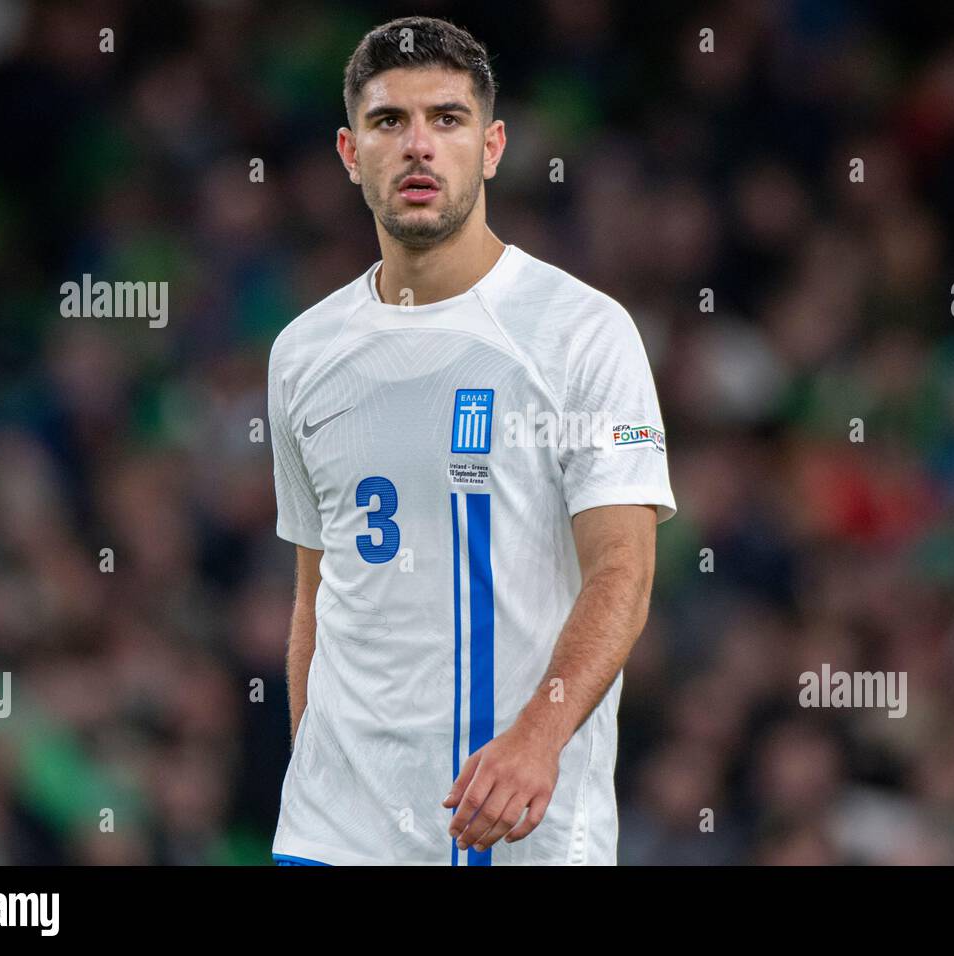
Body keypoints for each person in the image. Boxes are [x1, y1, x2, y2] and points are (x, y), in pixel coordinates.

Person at [267, 15, 675, 866]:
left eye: (446, 120)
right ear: (350, 153)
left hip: (519, 826)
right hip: (331, 836)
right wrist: (310, 767)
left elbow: (623, 572)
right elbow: (315, 590)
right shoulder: (301, 352)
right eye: (390, 122)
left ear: (491, 148)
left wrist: (538, 737)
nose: (419, 146)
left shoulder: (587, 334)